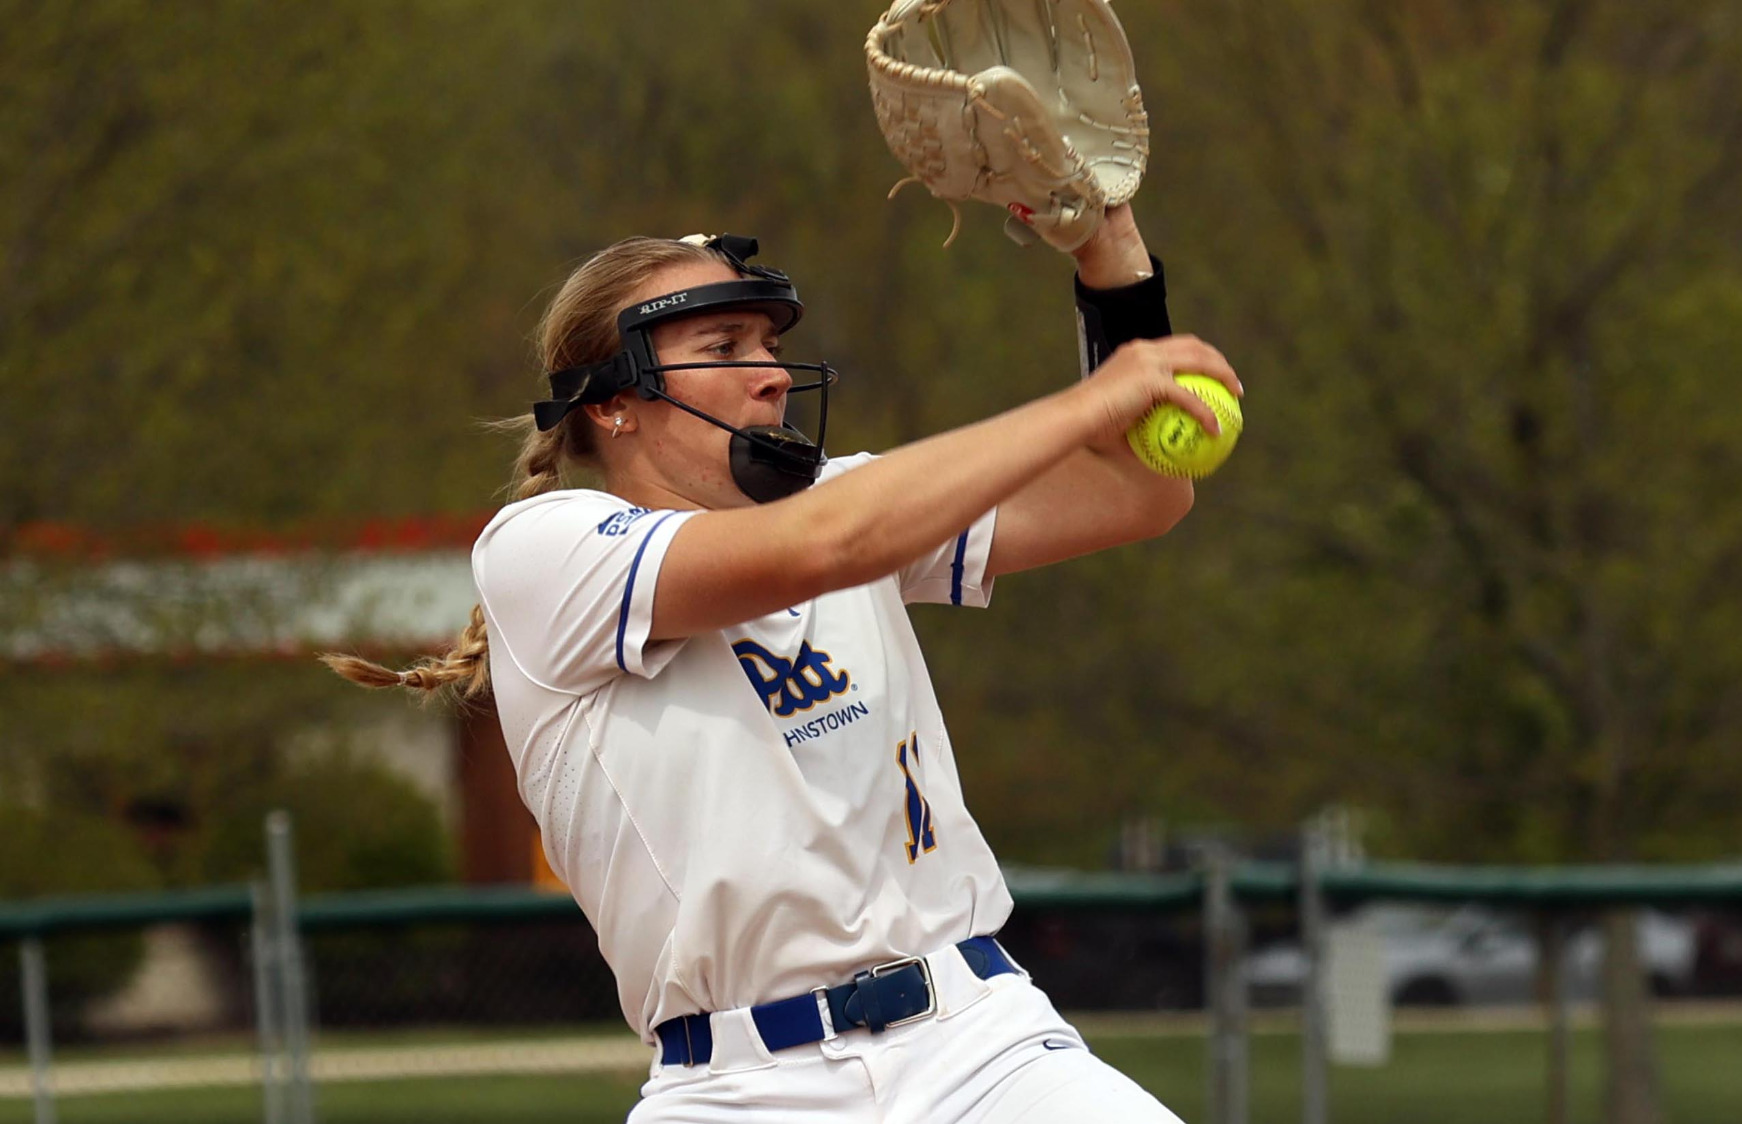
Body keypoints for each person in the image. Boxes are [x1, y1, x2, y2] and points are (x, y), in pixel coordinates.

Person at [326, 204, 1239, 1123]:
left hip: (981, 1044)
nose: (770, 374)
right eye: (723, 347)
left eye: (766, 343)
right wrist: (1086, 402)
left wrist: (1109, 259)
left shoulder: (849, 505)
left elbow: (1140, 494)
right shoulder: (545, 547)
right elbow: (825, 544)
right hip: (741, 1088)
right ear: (610, 401)